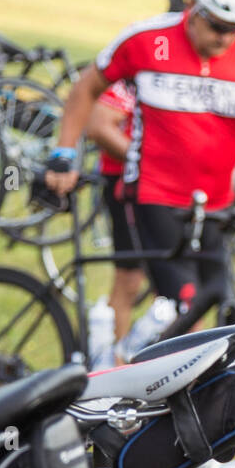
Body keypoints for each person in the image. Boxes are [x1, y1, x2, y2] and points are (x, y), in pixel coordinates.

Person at [46, 0, 235, 336]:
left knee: (221, 312)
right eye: (217, 25)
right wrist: (64, 153)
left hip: (215, 203)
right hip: (154, 195)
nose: (226, 38)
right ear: (192, 6)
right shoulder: (146, 39)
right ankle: (129, 367)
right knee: (189, 311)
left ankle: (140, 357)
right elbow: (85, 90)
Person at [86, 79, 146, 362]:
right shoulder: (133, 79)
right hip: (128, 184)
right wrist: (148, 161)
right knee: (129, 278)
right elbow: (98, 125)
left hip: (171, 189)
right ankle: (112, 363)